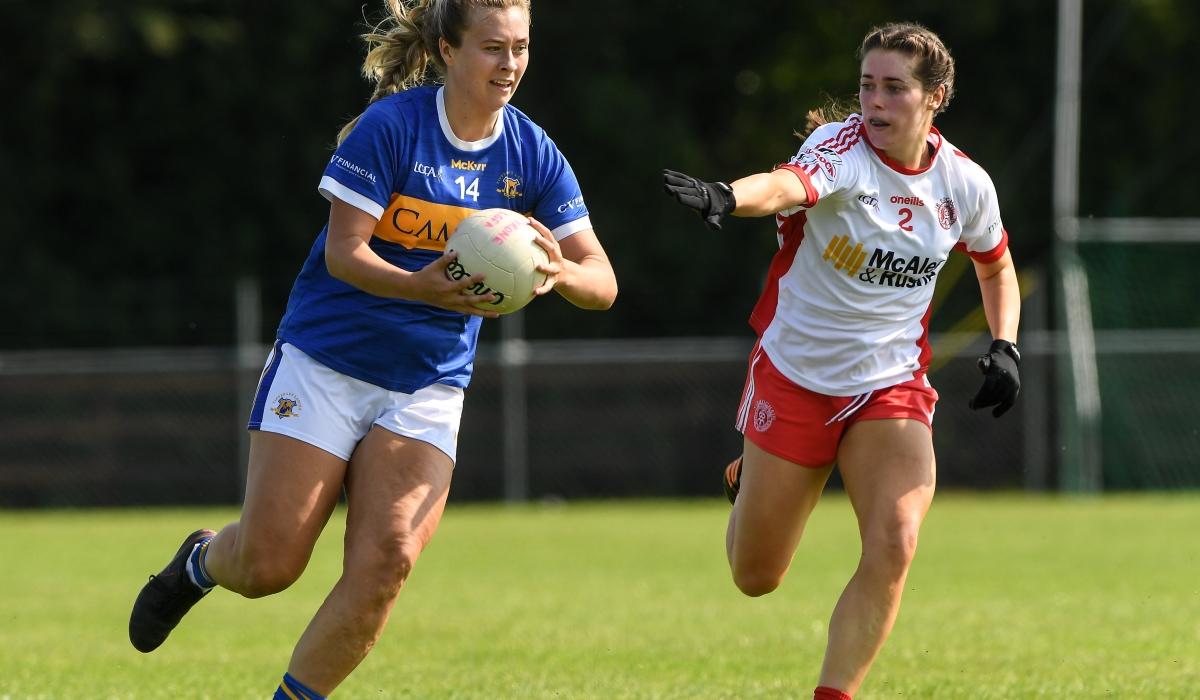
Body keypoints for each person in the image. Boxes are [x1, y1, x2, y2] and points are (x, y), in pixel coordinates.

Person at [127, 1, 617, 697]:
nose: (509, 65)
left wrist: (557, 271)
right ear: (447, 50)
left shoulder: (531, 152)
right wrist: (422, 287)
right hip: (327, 362)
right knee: (269, 565)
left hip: (427, 383)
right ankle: (202, 562)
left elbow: (603, 282)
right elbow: (344, 253)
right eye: (491, 48)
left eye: (520, 48)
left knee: (387, 561)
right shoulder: (393, 129)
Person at [663, 22, 1019, 700]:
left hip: (889, 385)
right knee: (755, 576)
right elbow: (784, 186)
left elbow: (995, 266)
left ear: (935, 97)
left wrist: (1006, 344)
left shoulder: (964, 184)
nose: (874, 104)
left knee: (896, 539)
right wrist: (725, 197)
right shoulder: (840, 150)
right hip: (796, 377)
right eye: (866, 87)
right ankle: (751, 474)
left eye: (893, 89)